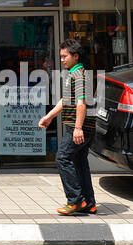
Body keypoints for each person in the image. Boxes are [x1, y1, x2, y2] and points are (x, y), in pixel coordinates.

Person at [38, 42, 97, 215]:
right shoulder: (75, 74)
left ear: (76, 56)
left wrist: (78, 128)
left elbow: (81, 102)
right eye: (61, 56)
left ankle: (76, 200)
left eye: (65, 56)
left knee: (62, 158)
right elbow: (66, 101)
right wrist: (49, 117)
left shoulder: (78, 75)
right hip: (83, 127)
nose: (62, 60)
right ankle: (89, 202)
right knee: (79, 163)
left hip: (77, 127)